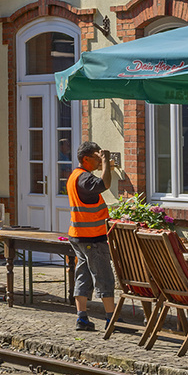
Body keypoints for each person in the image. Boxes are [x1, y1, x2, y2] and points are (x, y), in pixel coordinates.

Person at [67, 141, 117, 332]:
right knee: (103, 276)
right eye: (96, 158)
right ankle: (111, 319)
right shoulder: (84, 180)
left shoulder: (74, 176)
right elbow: (105, 183)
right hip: (92, 238)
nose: (99, 161)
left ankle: (82, 318)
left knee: (83, 275)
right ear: (85, 159)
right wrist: (106, 163)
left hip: (78, 236)